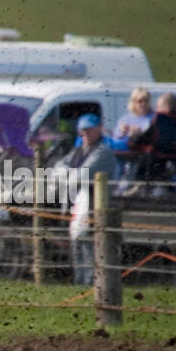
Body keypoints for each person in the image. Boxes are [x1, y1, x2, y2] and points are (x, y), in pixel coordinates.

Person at [61, 113, 115, 285]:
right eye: (83, 131)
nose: (86, 134)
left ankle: (90, 282)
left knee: (89, 245)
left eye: (90, 130)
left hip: (95, 204)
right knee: (77, 242)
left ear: (99, 129)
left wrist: (68, 175)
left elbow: (83, 174)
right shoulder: (78, 150)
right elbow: (58, 167)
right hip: (79, 203)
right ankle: (79, 281)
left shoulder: (103, 151)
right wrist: (68, 174)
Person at [130, 92, 176, 185]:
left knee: (138, 158)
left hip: (155, 161)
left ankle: (136, 187)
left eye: (158, 106)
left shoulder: (159, 120)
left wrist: (133, 136)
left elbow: (141, 140)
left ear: (166, 107)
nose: (156, 109)